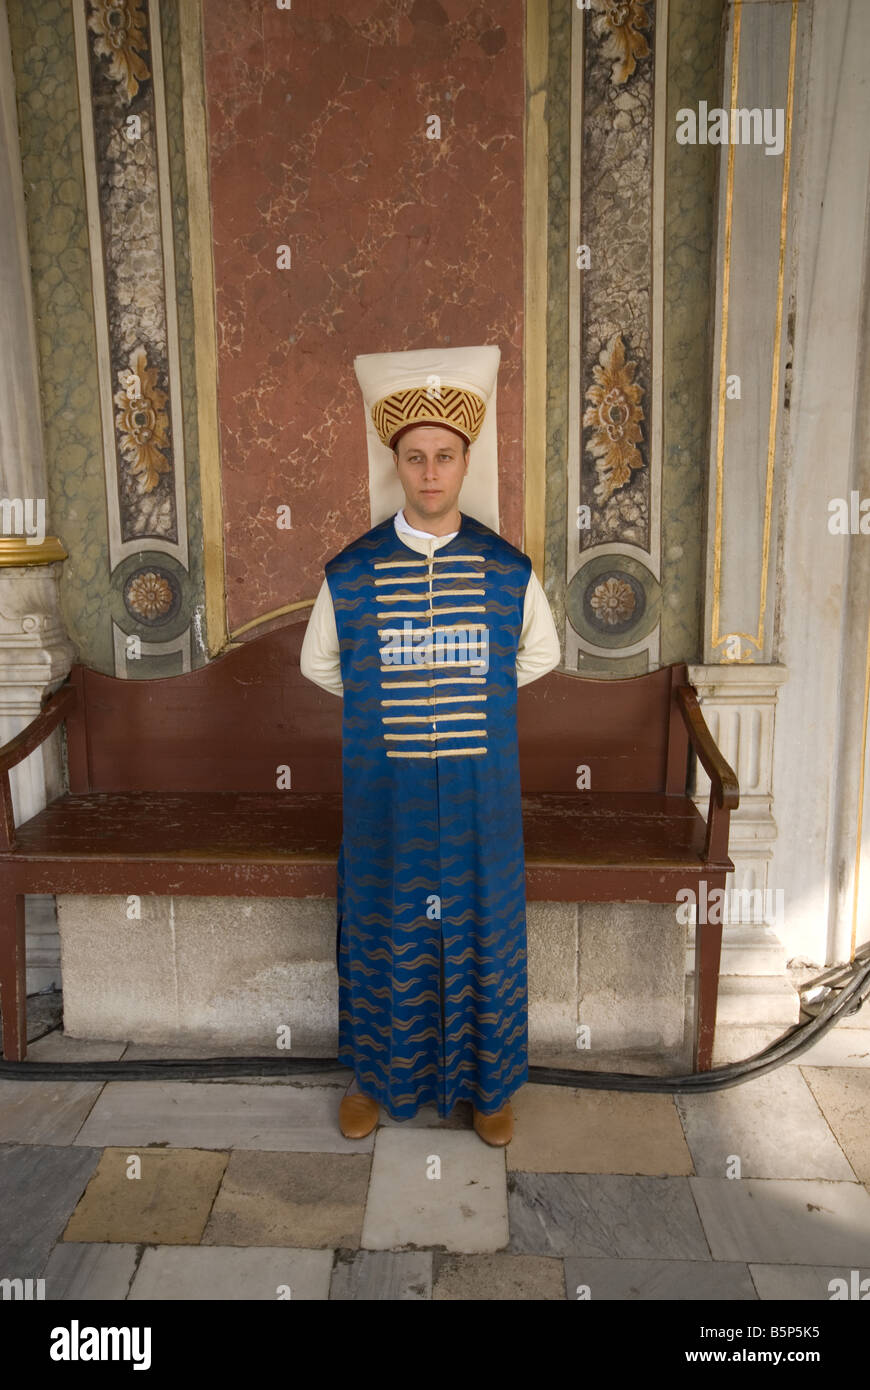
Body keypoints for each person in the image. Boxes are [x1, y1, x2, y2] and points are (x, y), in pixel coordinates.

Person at [300, 376, 561, 1145]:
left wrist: (474, 690)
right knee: (386, 924)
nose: (430, 473)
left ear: (465, 461)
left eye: (444, 457)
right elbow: (322, 665)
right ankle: (375, 1081)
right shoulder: (350, 574)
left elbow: (538, 652)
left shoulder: (507, 570)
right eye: (415, 458)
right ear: (398, 465)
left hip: (480, 792)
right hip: (388, 792)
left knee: (482, 927)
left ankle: (490, 1089)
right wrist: (386, 699)